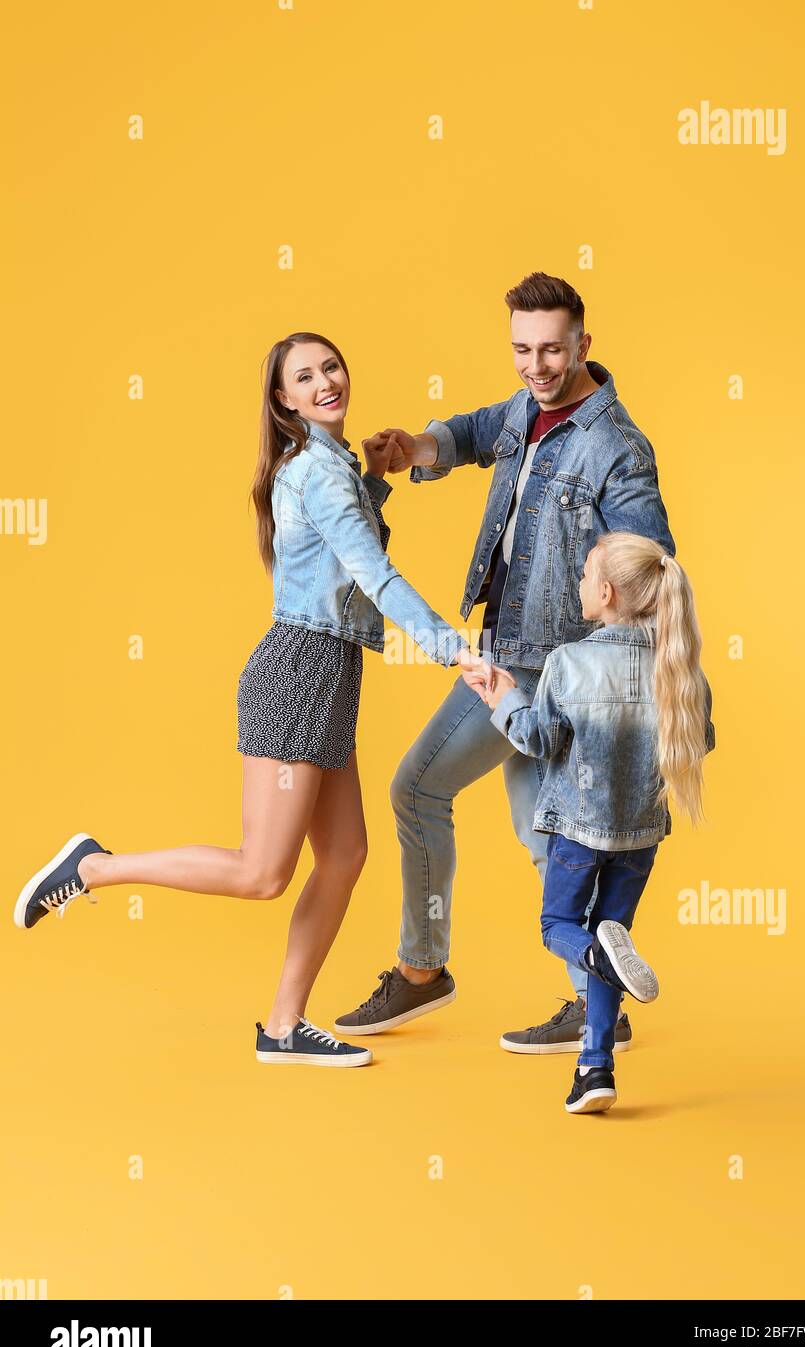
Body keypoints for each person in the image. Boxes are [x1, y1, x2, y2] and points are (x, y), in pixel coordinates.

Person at [12, 331, 486, 1068]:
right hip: (299, 674)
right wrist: (457, 650)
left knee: (346, 854)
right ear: (284, 399)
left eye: (331, 365)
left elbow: (340, 552)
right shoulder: (320, 475)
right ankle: (94, 867)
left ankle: (283, 1026)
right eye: (306, 375)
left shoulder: (329, 468)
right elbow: (377, 578)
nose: (326, 380)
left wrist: (383, 472)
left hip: (326, 678)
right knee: (262, 872)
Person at [334, 272, 675, 1055]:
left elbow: (650, 565)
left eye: (552, 349)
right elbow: (471, 432)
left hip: (539, 669)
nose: (536, 364)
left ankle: (423, 973)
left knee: (417, 788)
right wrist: (413, 447)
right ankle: (597, 1006)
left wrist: (599, 672)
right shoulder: (527, 409)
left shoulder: (616, 448)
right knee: (546, 833)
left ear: (585, 344)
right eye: (522, 348)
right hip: (515, 656)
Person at [483, 532, 716, 1112]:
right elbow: (698, 742)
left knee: (559, 925)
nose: (580, 584)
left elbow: (538, 741)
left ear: (606, 592)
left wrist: (503, 699)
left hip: (578, 833)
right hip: (640, 837)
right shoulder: (679, 667)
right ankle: (595, 1070)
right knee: (612, 932)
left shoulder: (568, 662)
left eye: (586, 574)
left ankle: (596, 966)